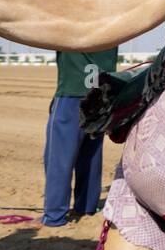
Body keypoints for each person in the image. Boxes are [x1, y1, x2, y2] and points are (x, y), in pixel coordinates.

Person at [43, 48, 119, 227]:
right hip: (101, 94)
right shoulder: (110, 25)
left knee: (59, 159)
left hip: (71, 94)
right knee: (91, 154)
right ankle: (86, 206)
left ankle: (54, 216)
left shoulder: (68, 23)